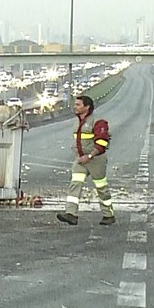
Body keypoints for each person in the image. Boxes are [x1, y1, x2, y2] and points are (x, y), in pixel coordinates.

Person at [57, 95, 115, 226]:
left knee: (101, 188)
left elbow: (102, 142)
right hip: (81, 160)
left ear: (87, 107)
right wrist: (79, 155)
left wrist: (89, 156)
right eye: (75, 104)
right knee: (75, 184)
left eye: (78, 105)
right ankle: (71, 214)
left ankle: (108, 215)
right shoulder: (77, 121)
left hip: (96, 160)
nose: (74, 107)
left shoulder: (98, 121)